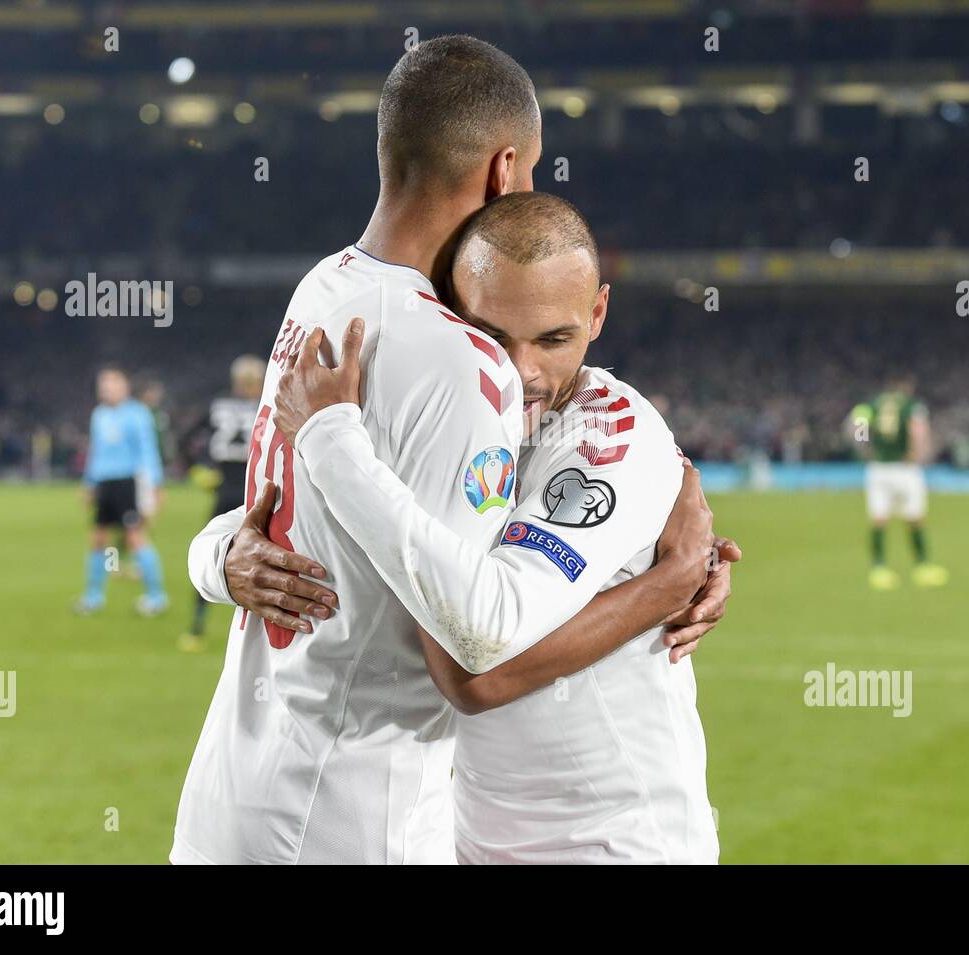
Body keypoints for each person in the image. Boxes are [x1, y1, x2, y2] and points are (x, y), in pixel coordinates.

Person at [171, 36, 735, 866]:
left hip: (239, 782)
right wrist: (672, 579)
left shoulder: (324, 288)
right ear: (505, 170)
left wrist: (216, 554)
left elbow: (294, 521)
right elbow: (478, 648)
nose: (519, 363)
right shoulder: (456, 357)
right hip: (353, 810)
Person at [178, 356, 264, 653]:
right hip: (258, 495)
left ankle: (196, 629)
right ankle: (260, 635)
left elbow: (184, 439)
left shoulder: (217, 406)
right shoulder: (269, 402)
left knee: (214, 557)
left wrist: (196, 470)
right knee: (264, 559)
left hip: (223, 490)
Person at [75, 367, 168, 616]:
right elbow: (96, 453)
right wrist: (90, 483)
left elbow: (148, 450)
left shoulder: (138, 414)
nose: (106, 389)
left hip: (128, 482)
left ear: (124, 386)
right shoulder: (99, 415)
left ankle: (156, 597)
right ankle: (94, 597)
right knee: (98, 540)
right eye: (103, 385)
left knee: (135, 538)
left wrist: (156, 484)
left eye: (112, 384)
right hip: (105, 482)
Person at [849, 375, 948, 590]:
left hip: (878, 468)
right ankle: (922, 566)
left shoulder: (872, 404)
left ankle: (878, 568)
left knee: (879, 518)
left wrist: (865, 448)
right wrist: (916, 453)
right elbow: (918, 430)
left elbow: (858, 423)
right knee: (915, 517)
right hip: (905, 468)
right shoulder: (912, 405)